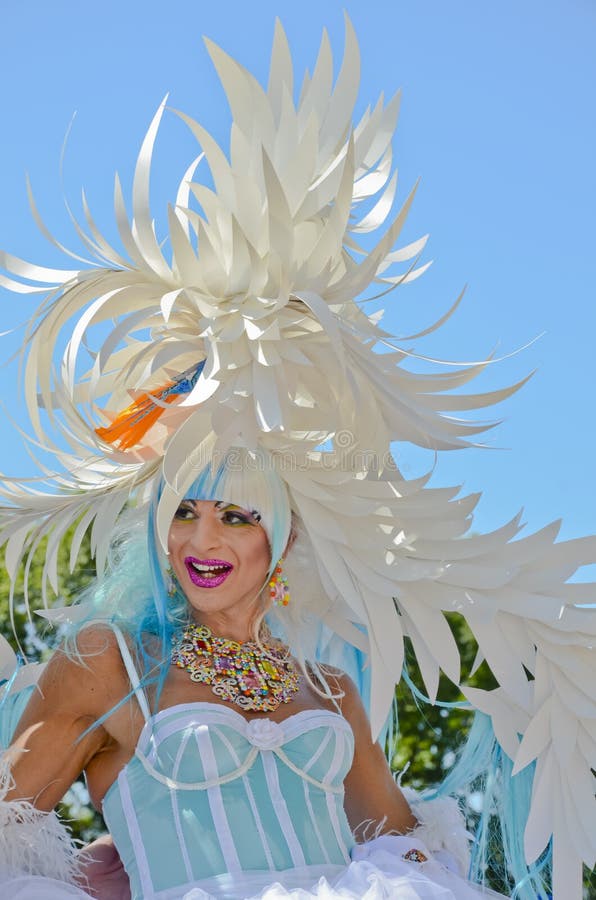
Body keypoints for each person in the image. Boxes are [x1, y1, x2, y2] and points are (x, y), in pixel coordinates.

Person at [0, 15, 594, 900]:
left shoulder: (325, 685)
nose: (203, 535)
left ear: (279, 543)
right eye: (185, 511)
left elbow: (396, 838)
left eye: (237, 515)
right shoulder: (108, 661)